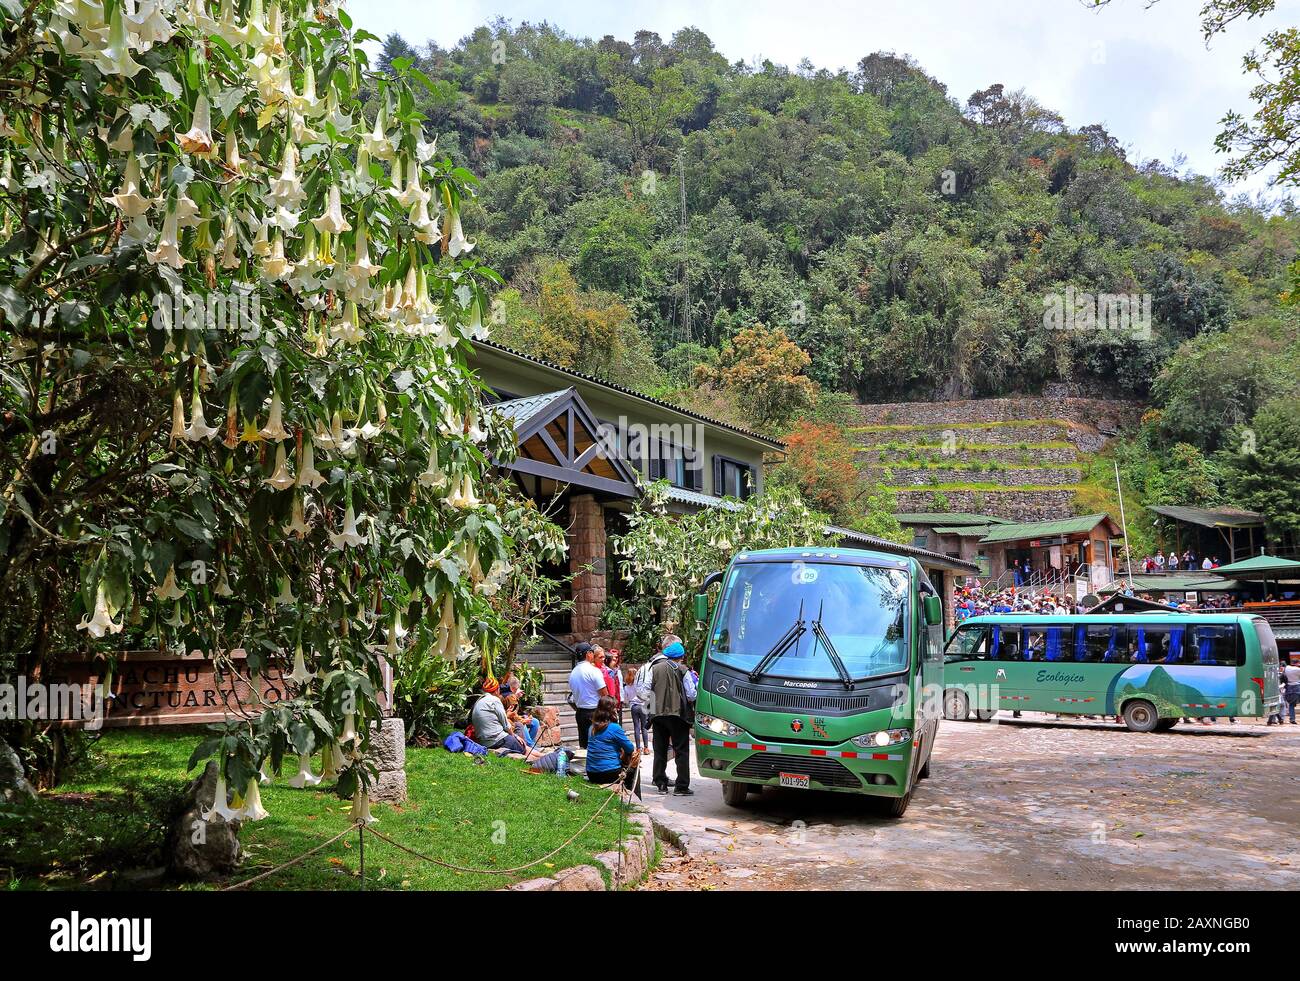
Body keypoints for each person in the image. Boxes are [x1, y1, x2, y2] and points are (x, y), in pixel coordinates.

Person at [648, 635, 694, 795]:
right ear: (681, 656)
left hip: (658, 715)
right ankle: (681, 786)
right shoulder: (683, 670)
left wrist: (652, 710)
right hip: (677, 716)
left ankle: (660, 783)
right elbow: (691, 694)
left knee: (659, 749)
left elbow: (647, 691)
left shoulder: (653, 668)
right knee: (681, 750)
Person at [584, 695, 639, 790]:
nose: (617, 710)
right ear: (611, 711)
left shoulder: (591, 728)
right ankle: (630, 797)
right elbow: (630, 748)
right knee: (634, 767)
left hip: (591, 773)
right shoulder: (614, 728)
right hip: (609, 773)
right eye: (615, 708)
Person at [568, 642, 607, 753]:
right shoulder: (593, 671)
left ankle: (585, 767)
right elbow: (604, 694)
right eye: (591, 652)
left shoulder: (573, 673)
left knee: (584, 746)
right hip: (594, 712)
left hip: (580, 712)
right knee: (597, 744)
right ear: (588, 654)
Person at [470, 679, 527, 754]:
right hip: (496, 740)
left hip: (483, 741)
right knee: (523, 747)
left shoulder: (479, 700)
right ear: (497, 690)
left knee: (522, 744)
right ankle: (540, 758)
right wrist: (515, 737)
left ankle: (540, 755)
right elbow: (506, 725)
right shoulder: (495, 700)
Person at [624, 664, 650, 754]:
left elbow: (626, 700)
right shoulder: (640, 686)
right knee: (644, 727)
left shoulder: (626, 687)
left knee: (636, 727)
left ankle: (638, 748)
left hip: (634, 707)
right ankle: (646, 748)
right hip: (642, 705)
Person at [1285, 658, 1300, 725]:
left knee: (1291, 704)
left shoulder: (1287, 668)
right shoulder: (1298, 670)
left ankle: (1292, 719)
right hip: (1297, 687)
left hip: (1289, 687)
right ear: (1297, 663)